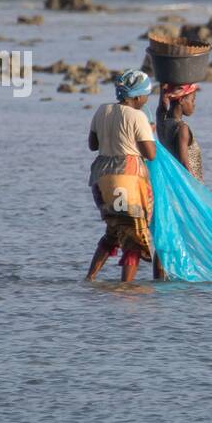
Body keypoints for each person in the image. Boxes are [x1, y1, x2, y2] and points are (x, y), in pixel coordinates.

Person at [85, 69, 160, 282]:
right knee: (134, 236)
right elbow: (150, 154)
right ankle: (126, 287)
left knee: (113, 230)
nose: (146, 100)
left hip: (101, 180)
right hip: (127, 179)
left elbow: (93, 145)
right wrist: (148, 133)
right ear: (136, 97)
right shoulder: (137, 117)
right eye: (145, 95)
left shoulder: (102, 110)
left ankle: (90, 279)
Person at [156, 82, 202, 181]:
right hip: (187, 183)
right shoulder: (182, 128)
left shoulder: (161, 119)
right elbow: (184, 163)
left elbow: (162, 105)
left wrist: (163, 87)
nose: (194, 105)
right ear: (181, 100)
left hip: (172, 180)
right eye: (192, 100)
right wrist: (194, 188)